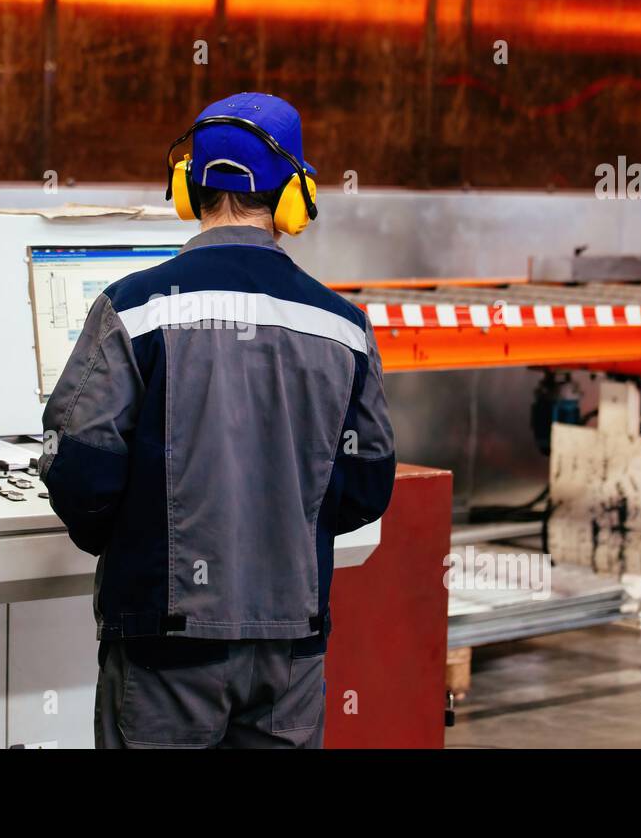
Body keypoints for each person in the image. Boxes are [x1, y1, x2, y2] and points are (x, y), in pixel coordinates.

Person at [39, 92, 395, 748]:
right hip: (292, 645)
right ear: (295, 198)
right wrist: (285, 523)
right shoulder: (343, 327)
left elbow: (81, 473)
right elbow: (367, 484)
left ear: (187, 186)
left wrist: (135, 540)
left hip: (163, 649)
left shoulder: (132, 309)